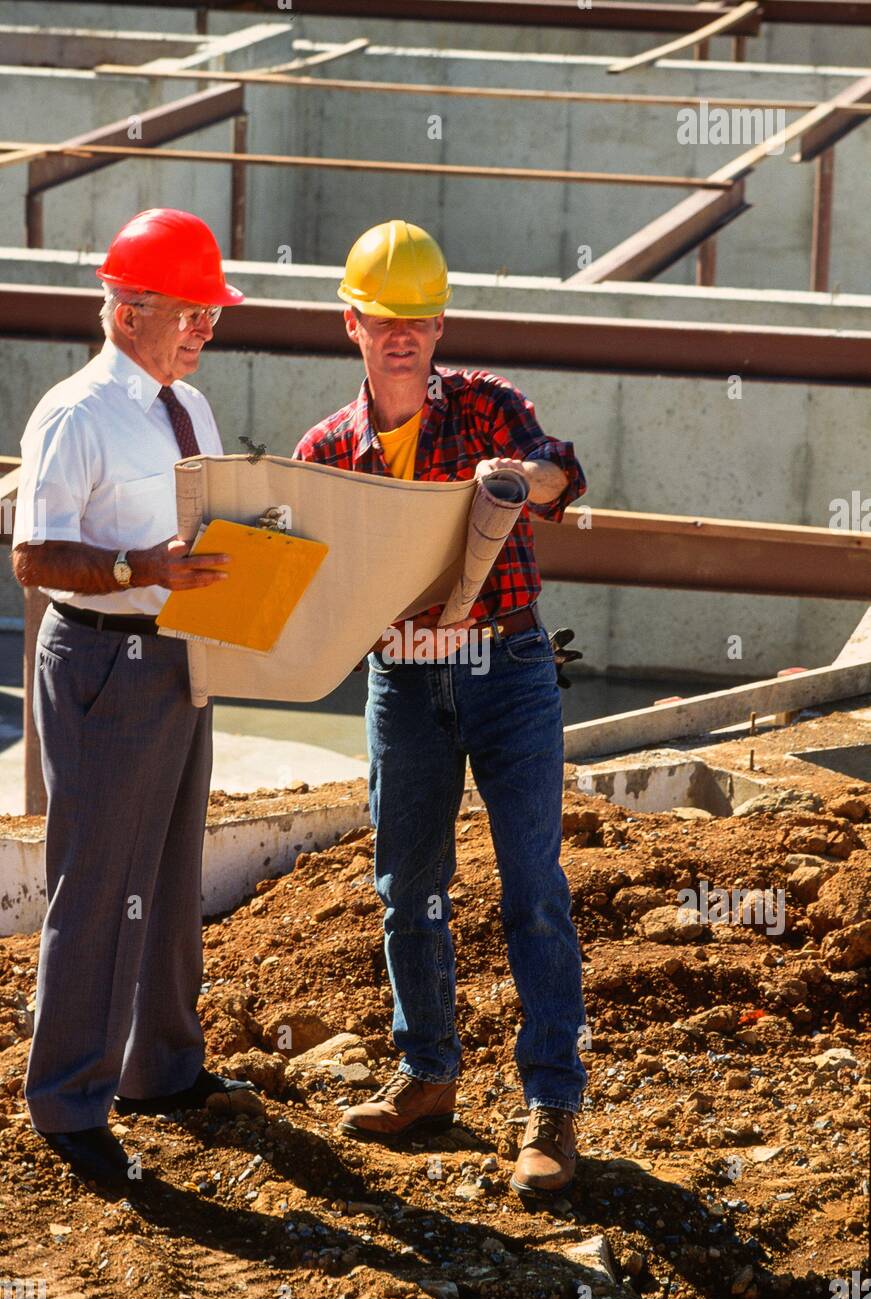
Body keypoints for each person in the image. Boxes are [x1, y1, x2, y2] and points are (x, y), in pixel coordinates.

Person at [294, 220, 589, 1200]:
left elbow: (558, 471)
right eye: (384, 321)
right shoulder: (327, 449)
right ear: (352, 326)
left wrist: (519, 482)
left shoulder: (491, 409)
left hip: (504, 670)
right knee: (406, 884)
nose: (403, 336)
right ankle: (429, 1074)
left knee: (531, 887)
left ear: (441, 323)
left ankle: (551, 1104)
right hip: (402, 682)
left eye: (418, 319)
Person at [11, 208, 261, 1192]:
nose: (205, 329)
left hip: (176, 655)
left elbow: (194, 531)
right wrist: (136, 565)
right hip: (104, 661)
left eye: (210, 314)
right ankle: (69, 1101)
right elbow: (34, 553)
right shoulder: (76, 413)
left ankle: (162, 1068)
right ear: (125, 310)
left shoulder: (186, 410)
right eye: (190, 312)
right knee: (97, 877)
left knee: (165, 868)